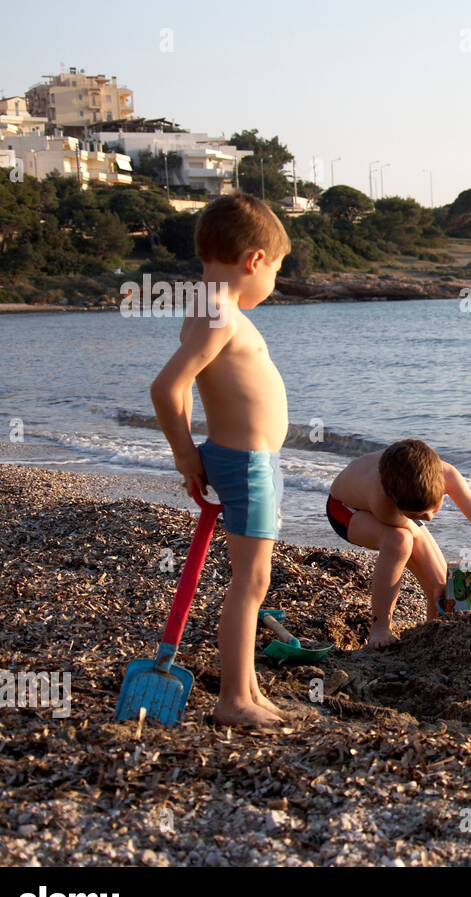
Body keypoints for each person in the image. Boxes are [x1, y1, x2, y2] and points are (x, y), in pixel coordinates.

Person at [149, 193, 290, 726]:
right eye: (276, 269)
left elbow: (184, 390)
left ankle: (249, 688)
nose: (273, 281)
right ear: (254, 260)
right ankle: (233, 699)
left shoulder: (206, 309)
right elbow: (166, 389)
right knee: (250, 583)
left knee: (253, 581)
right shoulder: (220, 314)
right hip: (246, 463)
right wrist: (187, 457)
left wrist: (198, 454)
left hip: (245, 459)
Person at [326, 439, 471, 647]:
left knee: (439, 583)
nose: (429, 518)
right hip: (344, 508)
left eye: (433, 507)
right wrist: (439, 584)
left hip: (392, 500)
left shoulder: (447, 474)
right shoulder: (382, 502)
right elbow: (414, 536)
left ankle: (432, 635)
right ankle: (380, 628)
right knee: (399, 541)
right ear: (396, 502)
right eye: (420, 514)